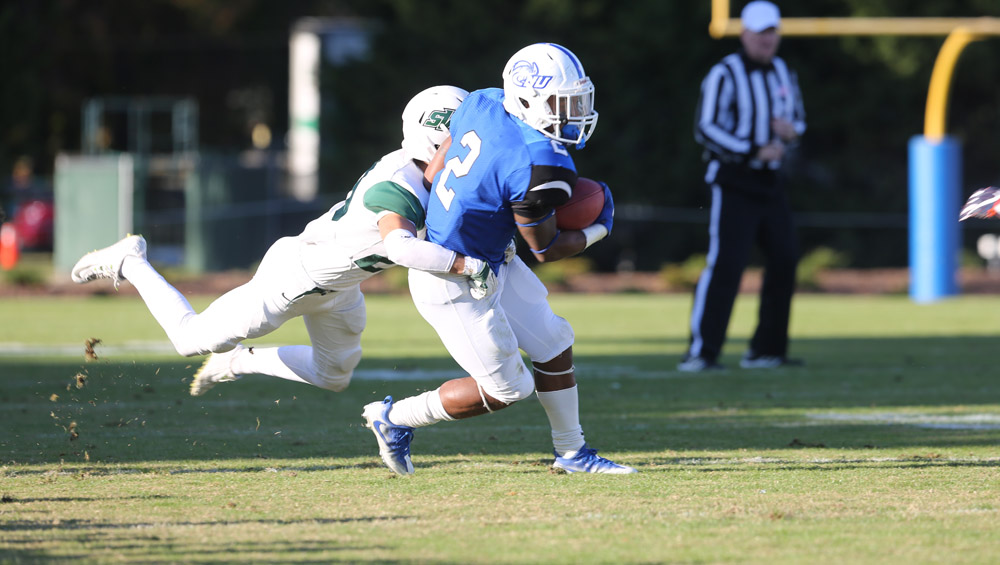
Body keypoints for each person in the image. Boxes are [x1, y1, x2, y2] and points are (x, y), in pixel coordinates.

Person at [71, 86, 494, 395]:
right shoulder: (398, 185)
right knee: (189, 340)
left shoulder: (426, 171)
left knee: (334, 377)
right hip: (294, 277)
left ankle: (239, 361)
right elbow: (401, 247)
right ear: (436, 139)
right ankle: (131, 260)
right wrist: (466, 265)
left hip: (340, 286)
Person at [361, 43, 635, 475]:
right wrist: (600, 226)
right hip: (453, 277)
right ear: (527, 100)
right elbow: (546, 248)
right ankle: (394, 419)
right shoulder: (541, 165)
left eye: (578, 100)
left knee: (554, 341)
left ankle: (572, 453)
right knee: (508, 389)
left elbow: (436, 169)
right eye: (563, 103)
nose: (574, 113)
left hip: (490, 256)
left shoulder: (483, 100)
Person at [679, 1, 806, 373]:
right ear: (746, 33)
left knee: (785, 259)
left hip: (772, 181)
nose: (769, 39)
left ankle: (767, 349)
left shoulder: (783, 70)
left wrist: (792, 132)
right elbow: (706, 128)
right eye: (762, 32)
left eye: (773, 32)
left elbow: (798, 119)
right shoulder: (725, 73)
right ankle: (702, 352)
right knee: (727, 265)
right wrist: (751, 148)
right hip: (734, 180)